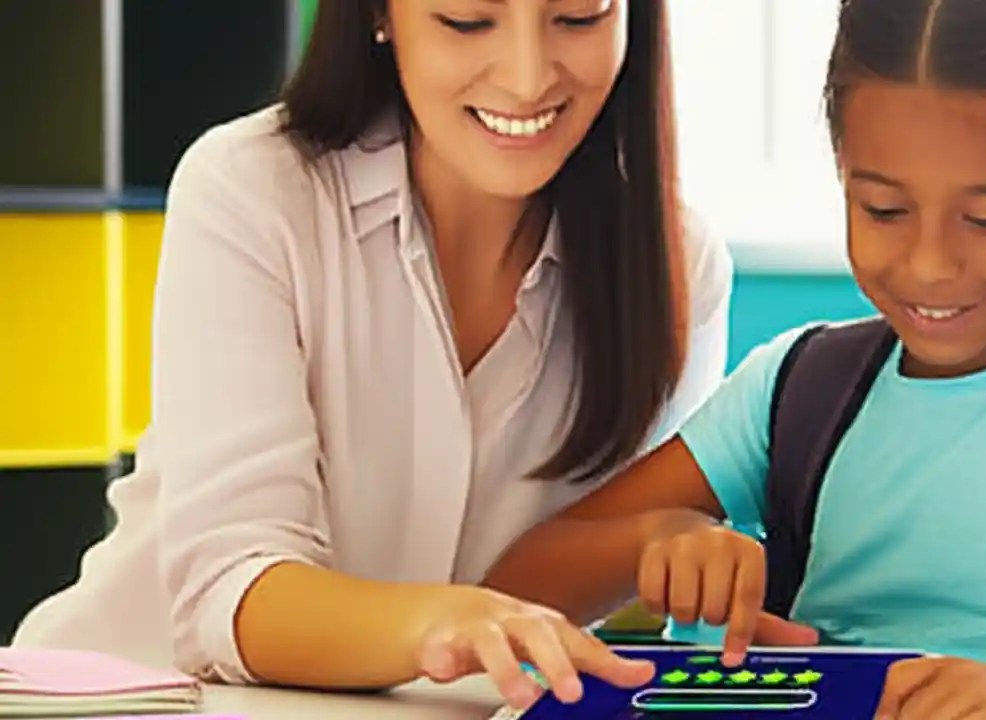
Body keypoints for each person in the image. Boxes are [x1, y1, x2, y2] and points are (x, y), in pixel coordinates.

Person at [481, 0, 986, 716]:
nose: (930, 264)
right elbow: (512, 593)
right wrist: (659, 541)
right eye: (884, 209)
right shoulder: (796, 390)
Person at [13, 0, 731, 709]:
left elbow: (552, 599)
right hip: (125, 699)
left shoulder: (676, 264)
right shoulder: (254, 189)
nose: (526, 77)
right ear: (379, 15)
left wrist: (669, 558)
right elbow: (233, 590)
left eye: (578, 18)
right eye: (466, 22)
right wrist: (440, 619)